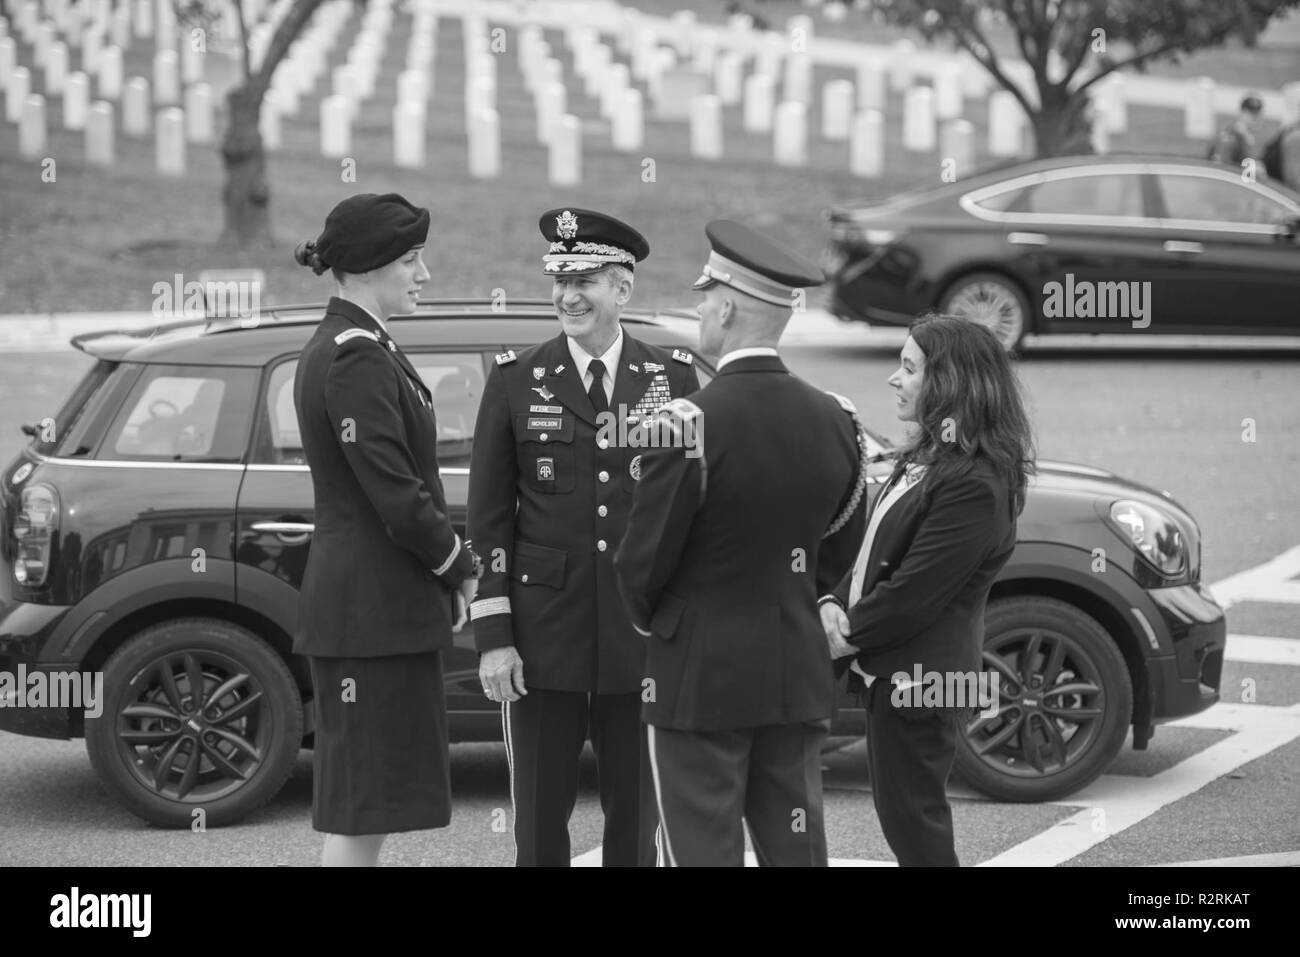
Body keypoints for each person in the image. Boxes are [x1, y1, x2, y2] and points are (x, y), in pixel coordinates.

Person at [614, 220, 868, 866]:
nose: (700, 307)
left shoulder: (685, 423)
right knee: (796, 849)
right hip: (794, 670)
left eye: (706, 295)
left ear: (727, 306)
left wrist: (671, 625)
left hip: (701, 676)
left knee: (701, 850)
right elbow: (836, 547)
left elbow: (641, 566)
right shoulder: (836, 419)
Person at [467, 208, 700, 866]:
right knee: (539, 824)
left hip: (642, 642)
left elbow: (693, 514)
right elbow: (488, 522)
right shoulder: (516, 380)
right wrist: (495, 639)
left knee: (636, 822)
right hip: (542, 641)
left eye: (587, 279)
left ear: (623, 289)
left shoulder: (673, 380)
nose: (568, 294)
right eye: (560, 277)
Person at [291, 192, 480, 867]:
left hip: (368, 611)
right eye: (410, 259)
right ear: (369, 266)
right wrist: (458, 562)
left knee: (366, 802)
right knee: (360, 801)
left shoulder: (356, 344)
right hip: (369, 614)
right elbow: (394, 493)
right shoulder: (355, 356)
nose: (423, 274)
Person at [818, 313, 1035, 867]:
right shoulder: (931, 457)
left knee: (915, 824)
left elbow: (917, 589)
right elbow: (874, 554)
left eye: (909, 367)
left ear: (949, 382)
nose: (895, 378)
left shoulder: (975, 481)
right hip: (898, 672)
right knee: (907, 820)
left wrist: (844, 637)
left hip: (923, 680)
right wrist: (830, 602)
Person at [1207, 94, 1263, 166]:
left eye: (1257, 114)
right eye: (1252, 114)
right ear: (1242, 112)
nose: (1256, 118)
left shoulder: (1247, 136)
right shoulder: (1231, 134)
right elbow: (1220, 164)